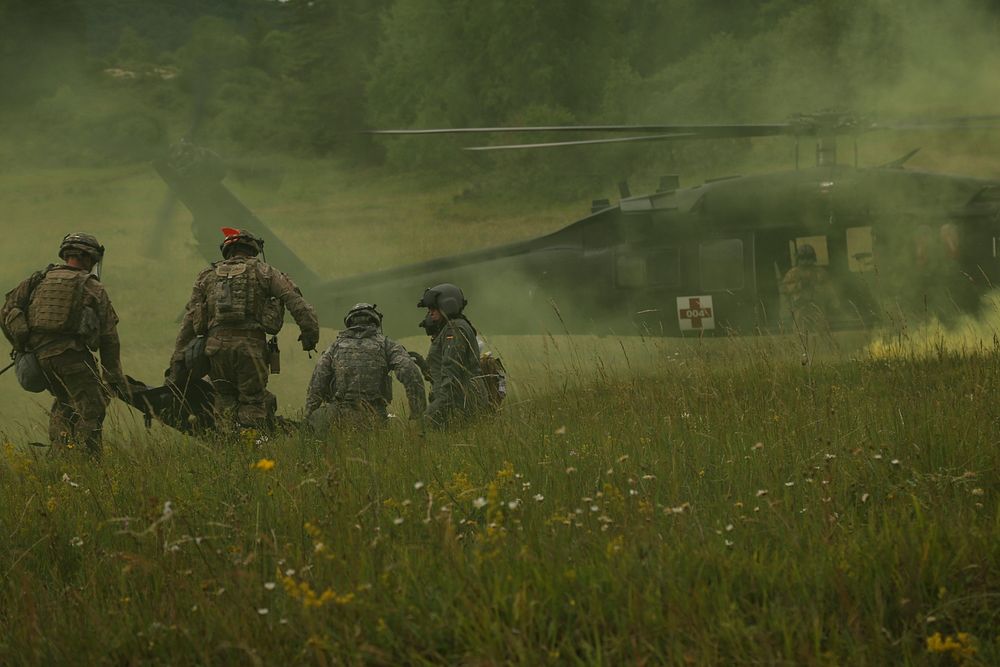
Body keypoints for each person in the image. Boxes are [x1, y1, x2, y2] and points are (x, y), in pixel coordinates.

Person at [169, 228, 319, 430]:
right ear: (252, 249)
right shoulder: (265, 272)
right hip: (250, 350)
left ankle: (228, 446)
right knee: (253, 402)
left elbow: (189, 320)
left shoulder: (207, 276)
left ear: (227, 250)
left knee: (223, 402)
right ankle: (253, 447)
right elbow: (296, 301)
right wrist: (310, 335)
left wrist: (177, 362)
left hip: (215, 352)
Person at [1, 233, 125, 456]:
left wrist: (22, 348)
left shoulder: (38, 280)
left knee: (66, 402)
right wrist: (113, 377)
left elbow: (6, 312)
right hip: (71, 357)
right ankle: (87, 461)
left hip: (40, 360)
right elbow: (109, 338)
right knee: (92, 407)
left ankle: (60, 455)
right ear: (89, 258)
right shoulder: (92, 287)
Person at [305, 303, 426, 429]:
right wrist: (418, 416)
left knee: (318, 417)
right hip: (375, 418)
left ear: (350, 322)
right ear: (374, 321)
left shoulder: (335, 347)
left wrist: (307, 418)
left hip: (340, 418)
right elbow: (411, 373)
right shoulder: (386, 345)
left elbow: (317, 384)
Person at [417, 283, 486, 426]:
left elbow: (451, 372)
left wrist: (434, 410)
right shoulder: (451, 328)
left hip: (463, 404)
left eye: (433, 307)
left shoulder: (455, 329)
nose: (430, 312)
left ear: (447, 305)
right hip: (458, 402)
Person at [782, 243, 833, 330]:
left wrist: (817, 288)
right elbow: (785, 290)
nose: (806, 261)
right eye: (802, 258)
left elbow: (829, 291)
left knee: (822, 331)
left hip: (818, 308)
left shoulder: (820, 272)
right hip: (799, 309)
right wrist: (799, 285)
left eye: (809, 258)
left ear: (813, 259)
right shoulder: (792, 274)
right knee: (800, 335)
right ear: (798, 259)